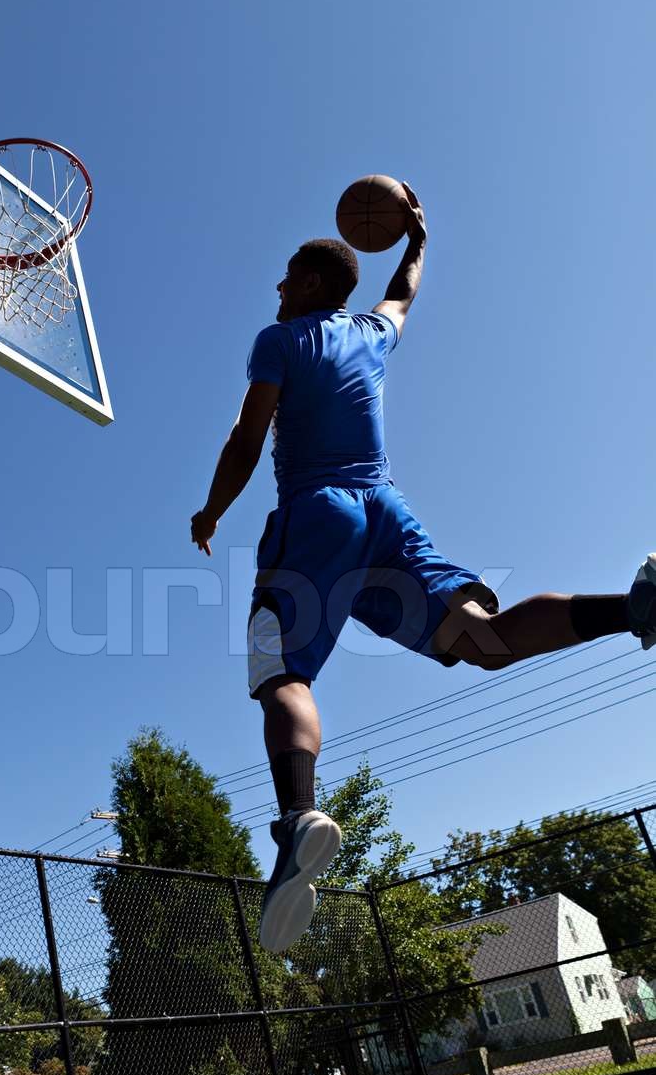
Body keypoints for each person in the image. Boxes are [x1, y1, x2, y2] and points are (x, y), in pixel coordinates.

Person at [191, 185, 656, 954]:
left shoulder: (279, 340)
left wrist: (210, 511)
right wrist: (418, 240)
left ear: (309, 283)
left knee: (281, 675)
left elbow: (247, 437)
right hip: (387, 512)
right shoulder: (371, 331)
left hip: (318, 512)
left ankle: (299, 815)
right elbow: (402, 294)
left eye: (285, 275)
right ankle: (637, 609)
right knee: (482, 640)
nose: (276, 287)